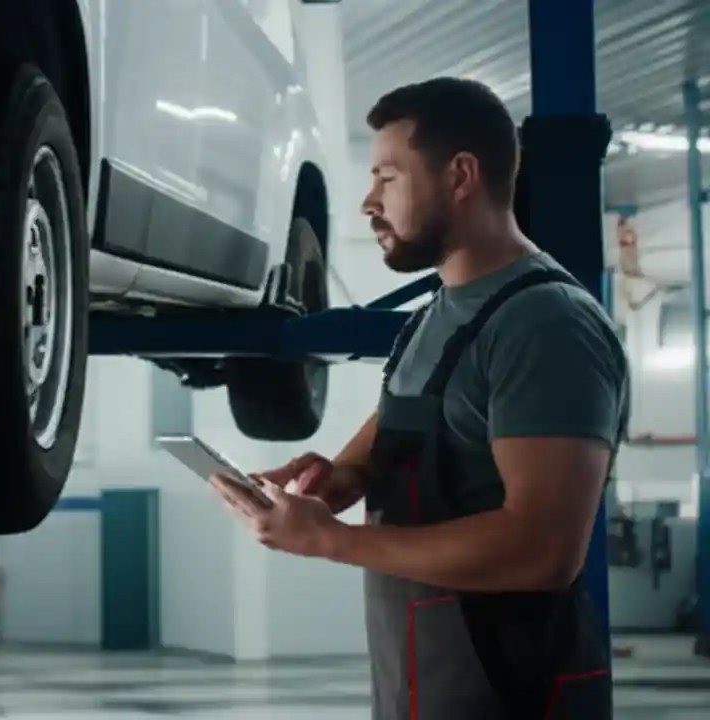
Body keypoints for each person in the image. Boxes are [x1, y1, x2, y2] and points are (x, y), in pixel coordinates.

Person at [211, 77, 629, 719]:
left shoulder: (546, 325)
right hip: (423, 689)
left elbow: (543, 550)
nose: (368, 203)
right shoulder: (436, 317)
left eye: (387, 178)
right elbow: (398, 429)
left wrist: (330, 540)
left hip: (515, 698)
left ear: (460, 176)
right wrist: (334, 479)